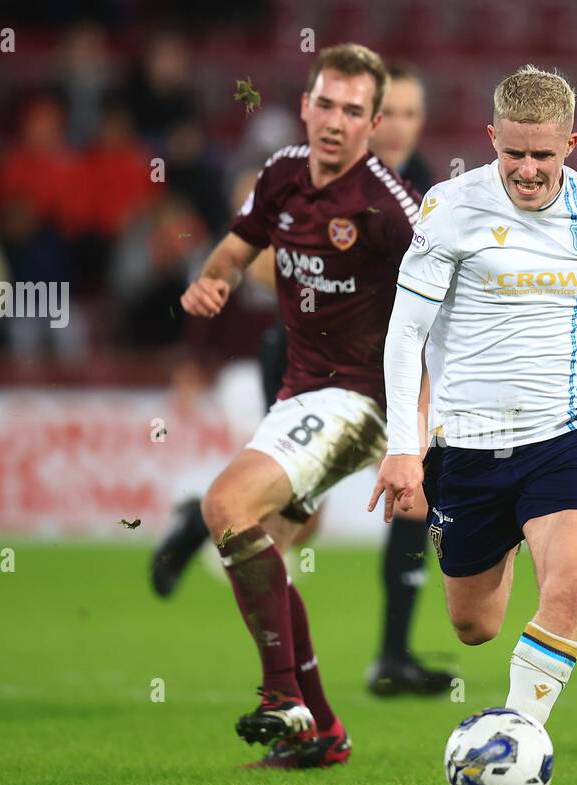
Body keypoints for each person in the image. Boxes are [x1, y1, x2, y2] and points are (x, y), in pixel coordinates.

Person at [369, 64, 577, 727]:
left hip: (564, 437)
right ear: (490, 138)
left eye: (542, 154)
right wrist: (402, 448)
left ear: (572, 143)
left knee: (574, 578)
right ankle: (502, 536)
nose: (527, 169)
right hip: (469, 446)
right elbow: (406, 332)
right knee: (474, 626)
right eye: (513, 153)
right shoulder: (450, 209)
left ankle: (515, 736)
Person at [153, 61, 455, 697]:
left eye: (399, 115)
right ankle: (312, 713)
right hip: (292, 363)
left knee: (243, 511)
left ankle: (332, 683)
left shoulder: (409, 199)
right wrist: (218, 278)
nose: (387, 125)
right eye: (329, 107)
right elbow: (242, 251)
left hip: (370, 391)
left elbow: (424, 325)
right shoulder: (285, 174)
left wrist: (414, 436)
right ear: (307, 106)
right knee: (269, 535)